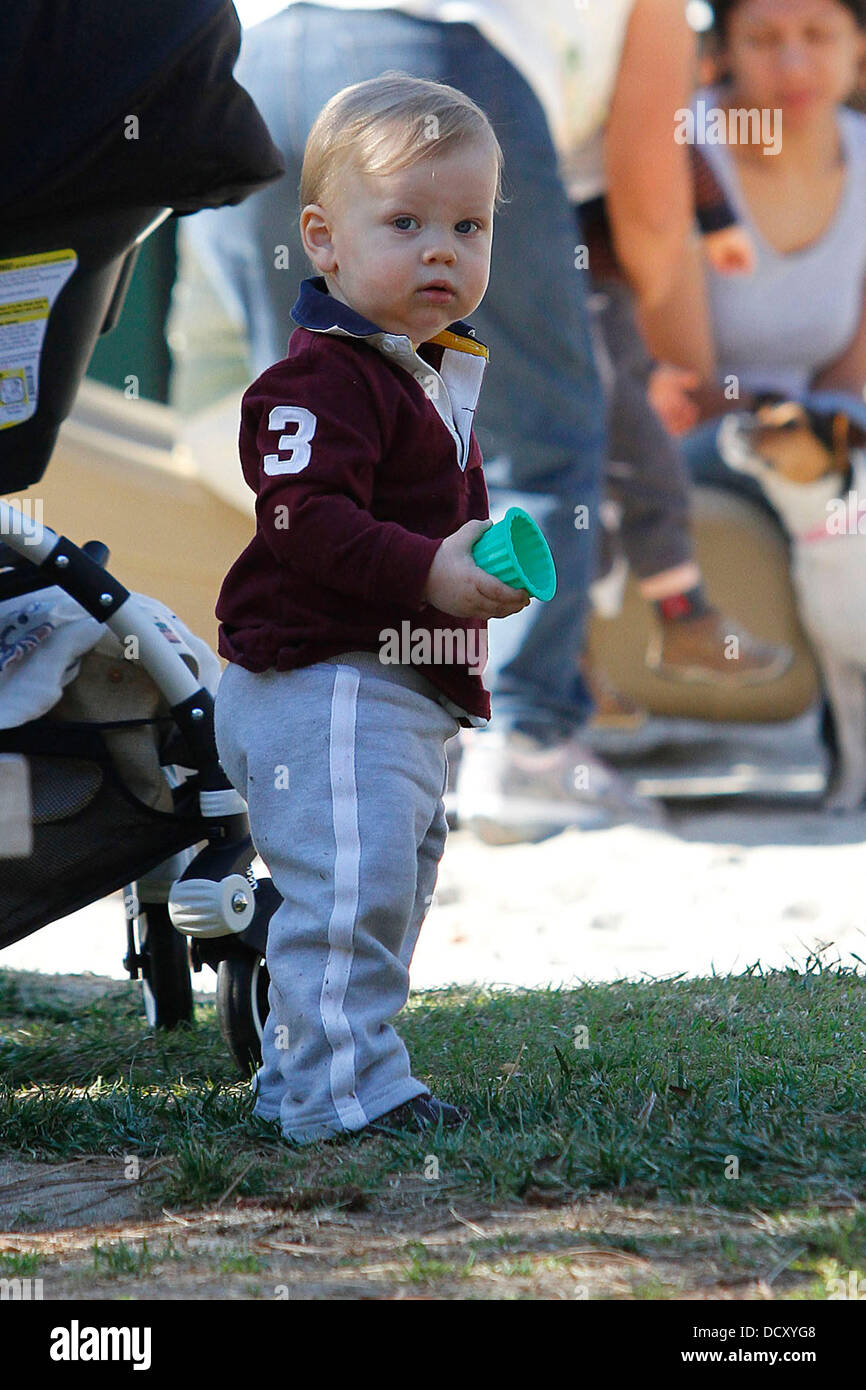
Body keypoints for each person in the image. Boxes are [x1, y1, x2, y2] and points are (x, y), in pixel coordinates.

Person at [170, 0, 699, 844]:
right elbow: (652, 209)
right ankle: (523, 739)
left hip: (253, 60)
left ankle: (352, 734)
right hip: (446, 60)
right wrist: (685, 345)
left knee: (323, 428)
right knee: (544, 441)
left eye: (463, 229)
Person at [212, 74, 530, 1142]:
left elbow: (432, 530)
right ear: (324, 240)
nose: (441, 248)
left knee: (387, 891)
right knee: (353, 890)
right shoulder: (317, 383)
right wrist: (429, 573)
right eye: (404, 222)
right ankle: (344, 1097)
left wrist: (476, 572)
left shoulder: (430, 371)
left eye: (467, 224)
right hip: (322, 681)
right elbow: (301, 519)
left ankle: (303, 1075)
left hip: (402, 684)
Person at [578, 145, 793, 696]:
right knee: (605, 478)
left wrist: (640, 373)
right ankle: (573, 669)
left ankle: (593, 660)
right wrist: (717, 220)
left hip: (591, 293)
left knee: (623, 473)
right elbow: (668, 135)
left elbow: (671, 135)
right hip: (547, 289)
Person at [642, 0, 866, 506]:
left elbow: (847, 385)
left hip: (808, 449)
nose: (793, 65)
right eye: (762, 40)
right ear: (724, 49)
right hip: (700, 452)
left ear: (860, 41)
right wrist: (797, 427)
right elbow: (689, 394)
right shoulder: (680, 155)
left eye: (819, 34)